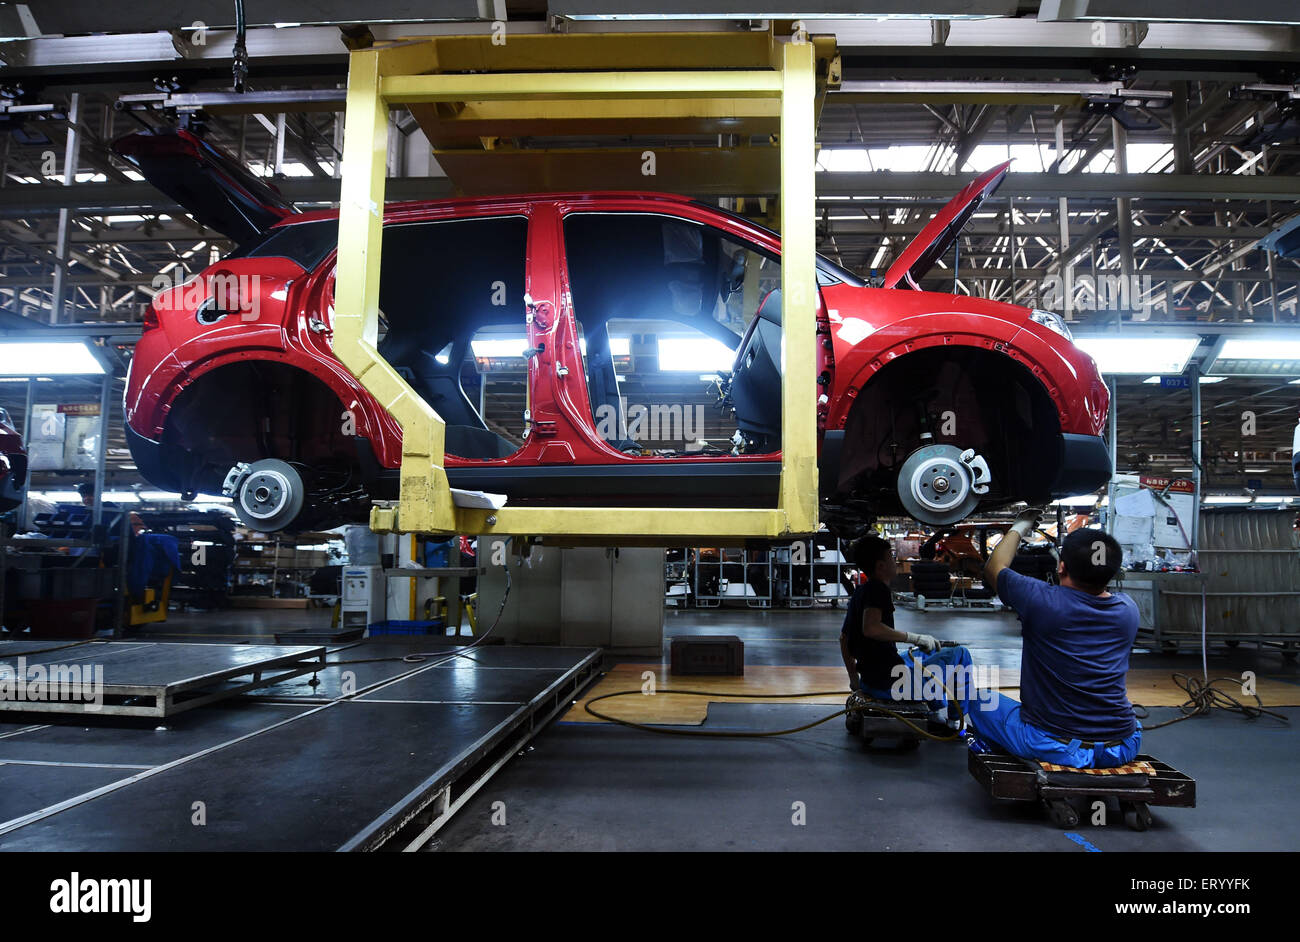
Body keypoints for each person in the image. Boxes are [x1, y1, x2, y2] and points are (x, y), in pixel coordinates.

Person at [971, 508, 1141, 768]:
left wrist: (1020, 526)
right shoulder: (1128, 610)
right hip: (1122, 745)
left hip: (1055, 745)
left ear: (1061, 567)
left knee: (978, 701)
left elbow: (995, 567)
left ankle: (1005, 753)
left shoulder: (1041, 601)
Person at [839, 534, 973, 726]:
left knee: (930, 652)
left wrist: (854, 680)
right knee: (961, 655)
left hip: (871, 681)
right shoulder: (879, 590)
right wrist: (914, 638)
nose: (895, 561)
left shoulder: (861, 592)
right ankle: (955, 723)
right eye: (891, 557)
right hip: (892, 684)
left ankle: (934, 713)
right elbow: (871, 628)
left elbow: (843, 639)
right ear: (881, 566)